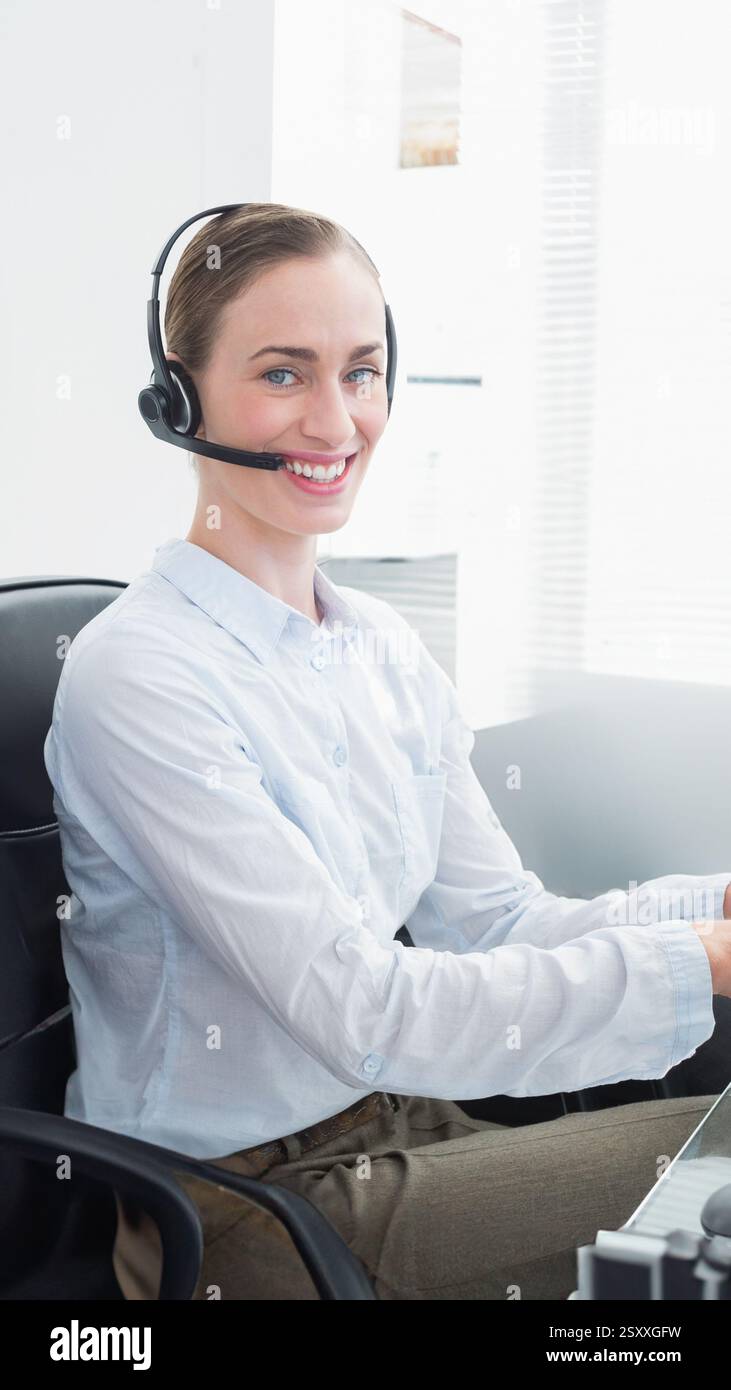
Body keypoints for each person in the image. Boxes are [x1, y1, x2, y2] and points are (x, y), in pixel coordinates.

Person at [44, 203, 731, 1301]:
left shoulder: (381, 647)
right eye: (282, 375)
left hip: (403, 1123)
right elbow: (364, 1011)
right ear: (179, 398)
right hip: (246, 1208)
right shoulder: (143, 674)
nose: (336, 420)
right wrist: (700, 962)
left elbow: (499, 922)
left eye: (361, 371)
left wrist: (710, 910)